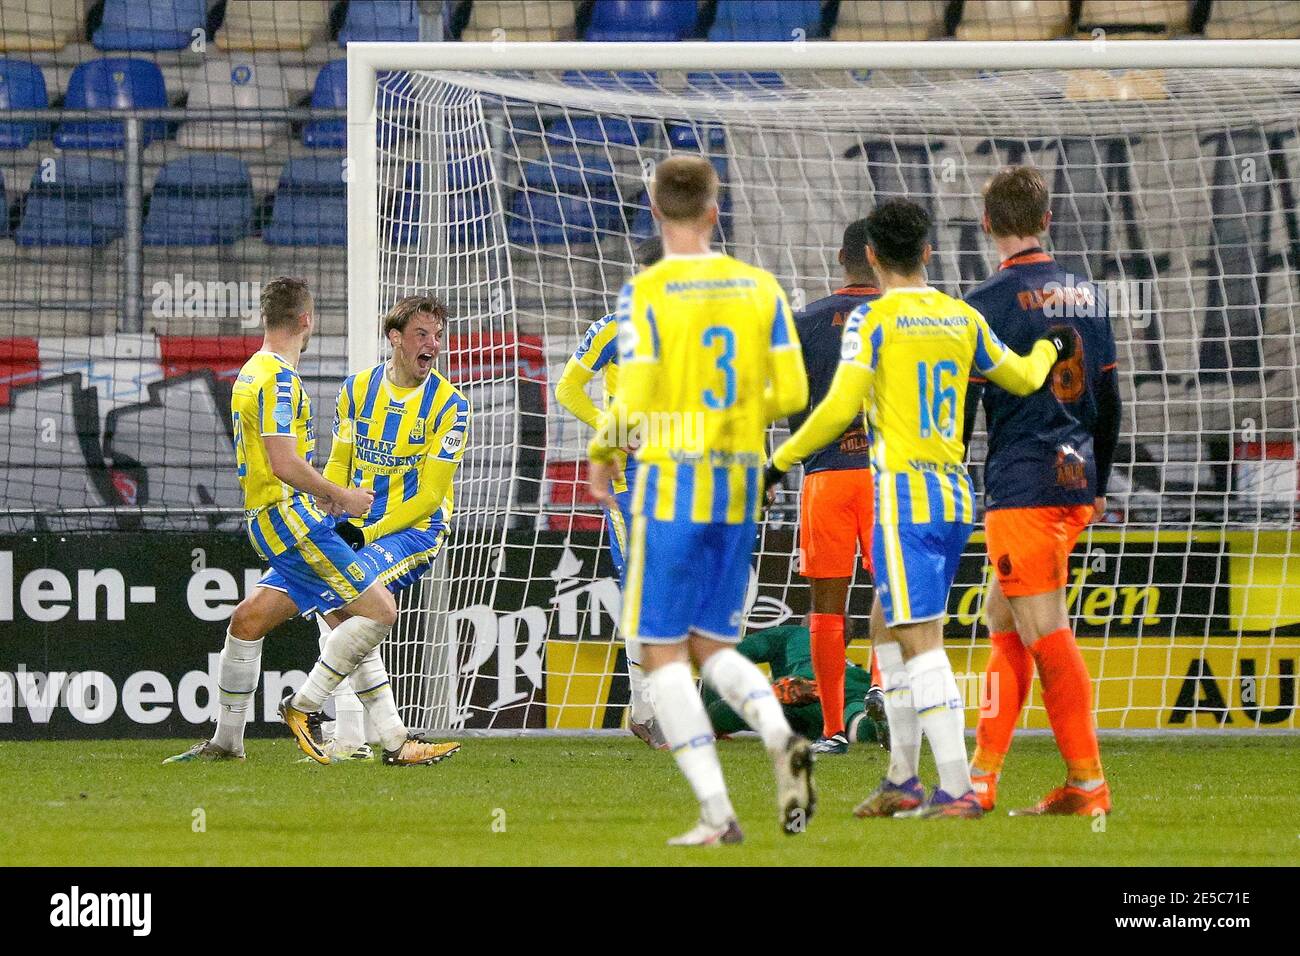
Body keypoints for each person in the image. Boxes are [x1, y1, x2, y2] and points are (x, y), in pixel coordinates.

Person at [767, 199, 1072, 819]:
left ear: (872, 256)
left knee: (922, 643)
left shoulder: (873, 321)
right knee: (887, 624)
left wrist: (780, 459)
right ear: (928, 253)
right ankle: (903, 777)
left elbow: (836, 408)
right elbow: (1018, 377)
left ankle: (957, 787)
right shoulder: (959, 315)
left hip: (904, 498)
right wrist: (1050, 349)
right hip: (955, 494)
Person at [588, 154, 813, 846]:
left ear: (656, 212)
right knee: (713, 644)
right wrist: (741, 419)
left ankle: (718, 812)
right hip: (739, 481)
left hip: (671, 482)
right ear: (716, 211)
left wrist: (602, 454)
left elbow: (636, 394)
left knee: (662, 654)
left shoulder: (646, 292)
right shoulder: (758, 287)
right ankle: (781, 733)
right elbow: (797, 394)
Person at [165, 283, 461, 767]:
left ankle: (227, 741)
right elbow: (284, 462)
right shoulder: (282, 381)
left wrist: (334, 504)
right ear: (307, 320)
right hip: (292, 518)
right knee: (376, 611)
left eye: (438, 335)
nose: (433, 343)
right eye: (421, 332)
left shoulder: (249, 372)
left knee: (249, 619)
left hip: (272, 518)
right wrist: (339, 497)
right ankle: (314, 712)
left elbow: (427, 493)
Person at [962, 166, 1120, 816]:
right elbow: (1108, 398)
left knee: (1044, 627)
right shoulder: (1088, 294)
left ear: (987, 224)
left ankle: (1087, 783)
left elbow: (969, 407)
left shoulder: (987, 301)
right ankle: (981, 780)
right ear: (1046, 220)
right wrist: (1101, 481)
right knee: (1003, 619)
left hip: (1023, 482)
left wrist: (960, 471)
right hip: (1075, 477)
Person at [555, 237, 666, 749]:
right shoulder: (613, 328)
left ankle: (666, 702)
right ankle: (648, 706)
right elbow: (567, 388)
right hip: (630, 478)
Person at [781, 219, 885, 755]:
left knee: (826, 604)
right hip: (888, 477)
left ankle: (832, 731)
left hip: (826, 475)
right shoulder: (902, 321)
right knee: (893, 592)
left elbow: (787, 400)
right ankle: (883, 691)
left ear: (840, 257)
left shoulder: (806, 323)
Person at [702, 625, 886, 746]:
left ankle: (780, 691)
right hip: (856, 687)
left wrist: (710, 710)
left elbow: (731, 657)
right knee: (856, 720)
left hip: (799, 698)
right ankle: (879, 725)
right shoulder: (858, 672)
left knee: (728, 711)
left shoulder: (797, 634)